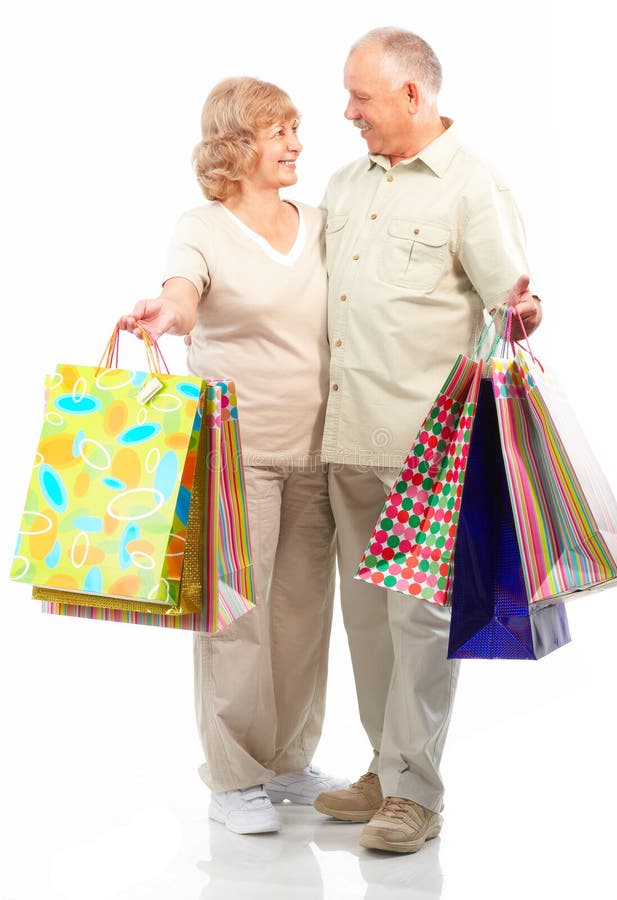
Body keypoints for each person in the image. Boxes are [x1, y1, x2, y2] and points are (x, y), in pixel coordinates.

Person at [313, 28, 542, 854]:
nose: (348, 112)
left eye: (360, 97)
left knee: (420, 624)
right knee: (367, 622)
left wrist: (524, 311)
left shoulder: (471, 185)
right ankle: (383, 769)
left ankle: (415, 793)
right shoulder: (344, 183)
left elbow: (513, 298)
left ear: (411, 94)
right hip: (346, 438)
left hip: (427, 451)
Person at [120, 76, 346, 836]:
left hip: (320, 447)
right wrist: (167, 312)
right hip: (236, 452)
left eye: (295, 129)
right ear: (235, 144)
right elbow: (183, 293)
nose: (296, 144)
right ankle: (233, 776)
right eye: (279, 131)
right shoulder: (203, 227)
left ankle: (287, 759)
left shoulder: (322, 223)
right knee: (234, 619)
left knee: (302, 616)